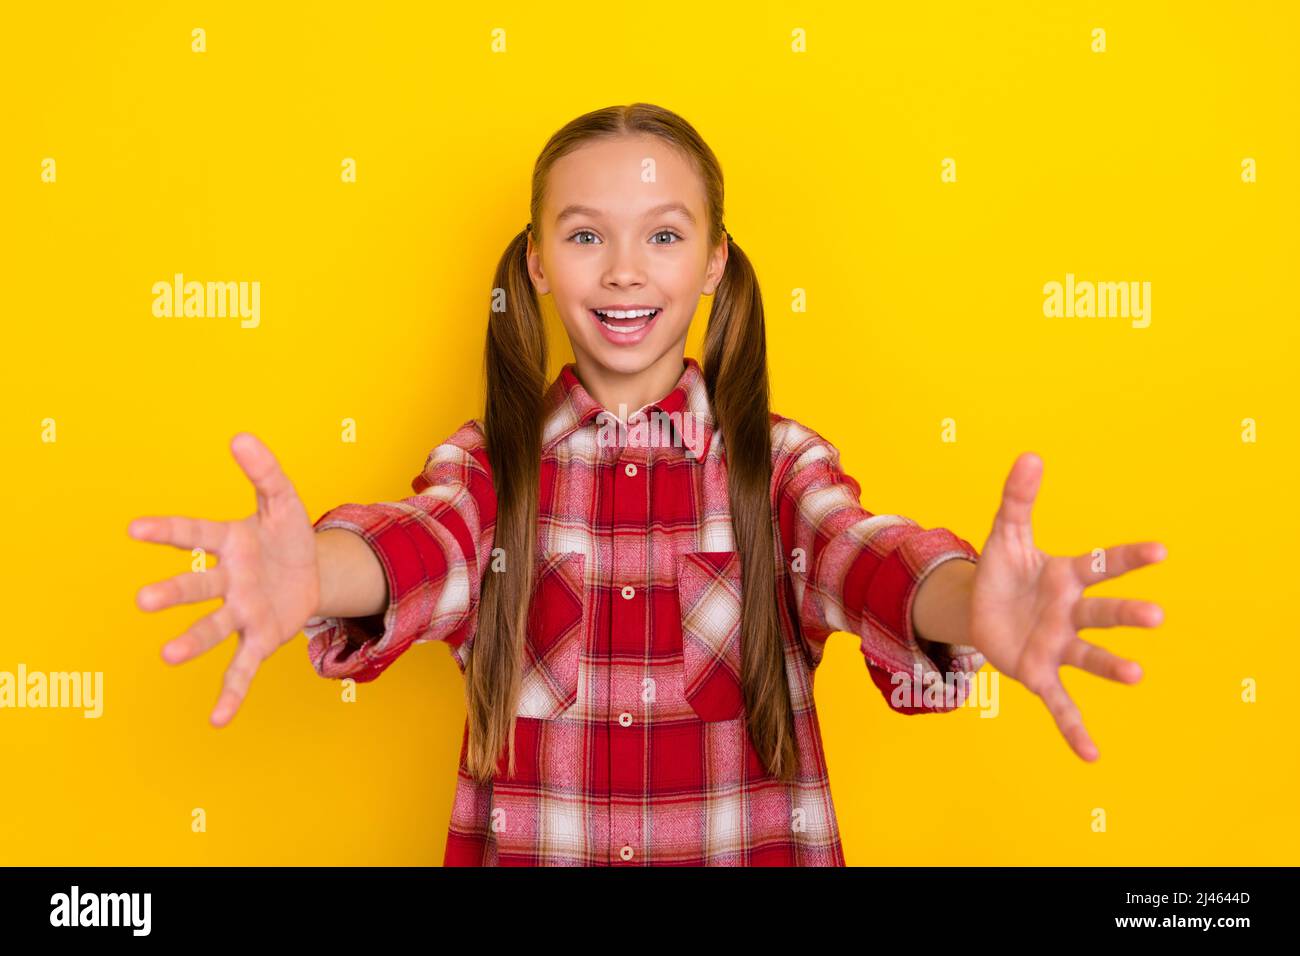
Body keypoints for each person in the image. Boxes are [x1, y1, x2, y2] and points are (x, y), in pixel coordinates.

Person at [128, 102, 1167, 866]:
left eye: (663, 234)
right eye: (585, 235)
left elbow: (859, 554)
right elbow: (427, 541)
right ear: (537, 262)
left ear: (714, 261)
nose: (624, 270)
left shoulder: (777, 466)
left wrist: (966, 603)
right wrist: (320, 572)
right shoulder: (493, 466)